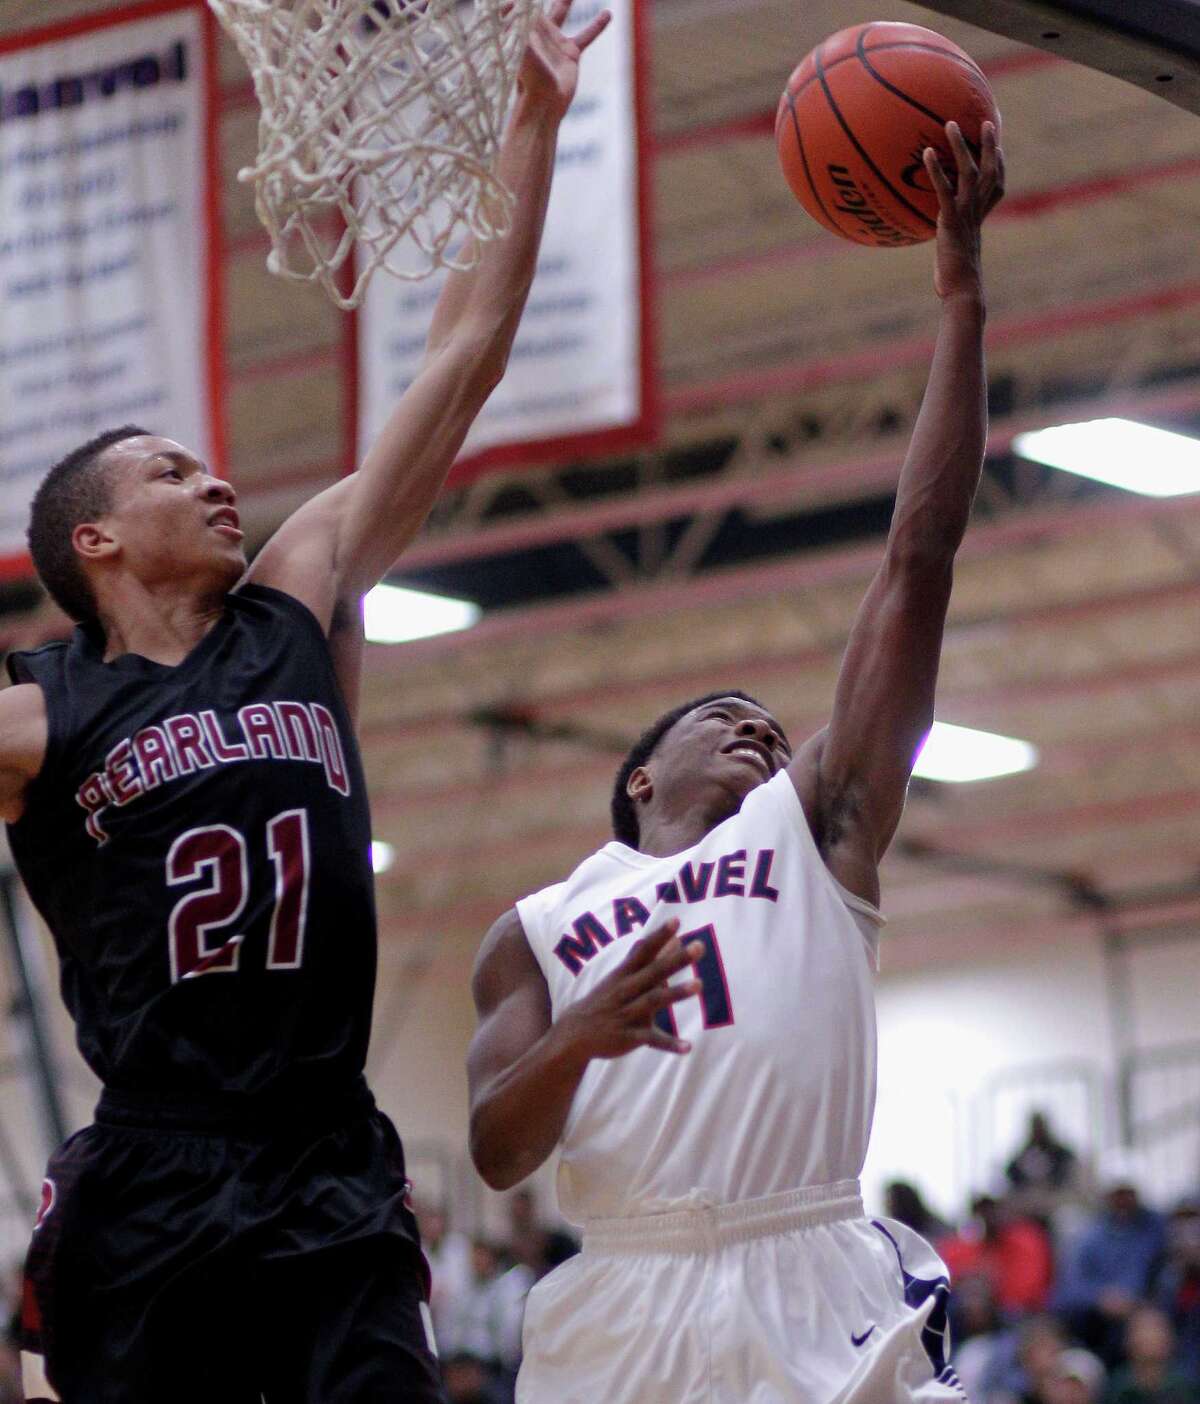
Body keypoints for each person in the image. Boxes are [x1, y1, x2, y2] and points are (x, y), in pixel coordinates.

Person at [0, 6, 609, 1400]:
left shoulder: (295, 603)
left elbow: (463, 355)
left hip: (330, 1156)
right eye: (170, 473)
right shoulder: (42, 714)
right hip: (154, 1166)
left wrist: (532, 123)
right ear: (95, 540)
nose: (216, 481)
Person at [467, 120, 1004, 1404]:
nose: (757, 728)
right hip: (624, 1293)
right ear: (640, 778)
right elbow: (495, 1151)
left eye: (771, 721)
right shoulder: (536, 929)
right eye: (720, 715)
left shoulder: (813, 833)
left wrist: (962, 300)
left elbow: (916, 563)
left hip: (808, 1261)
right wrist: (578, 1038)